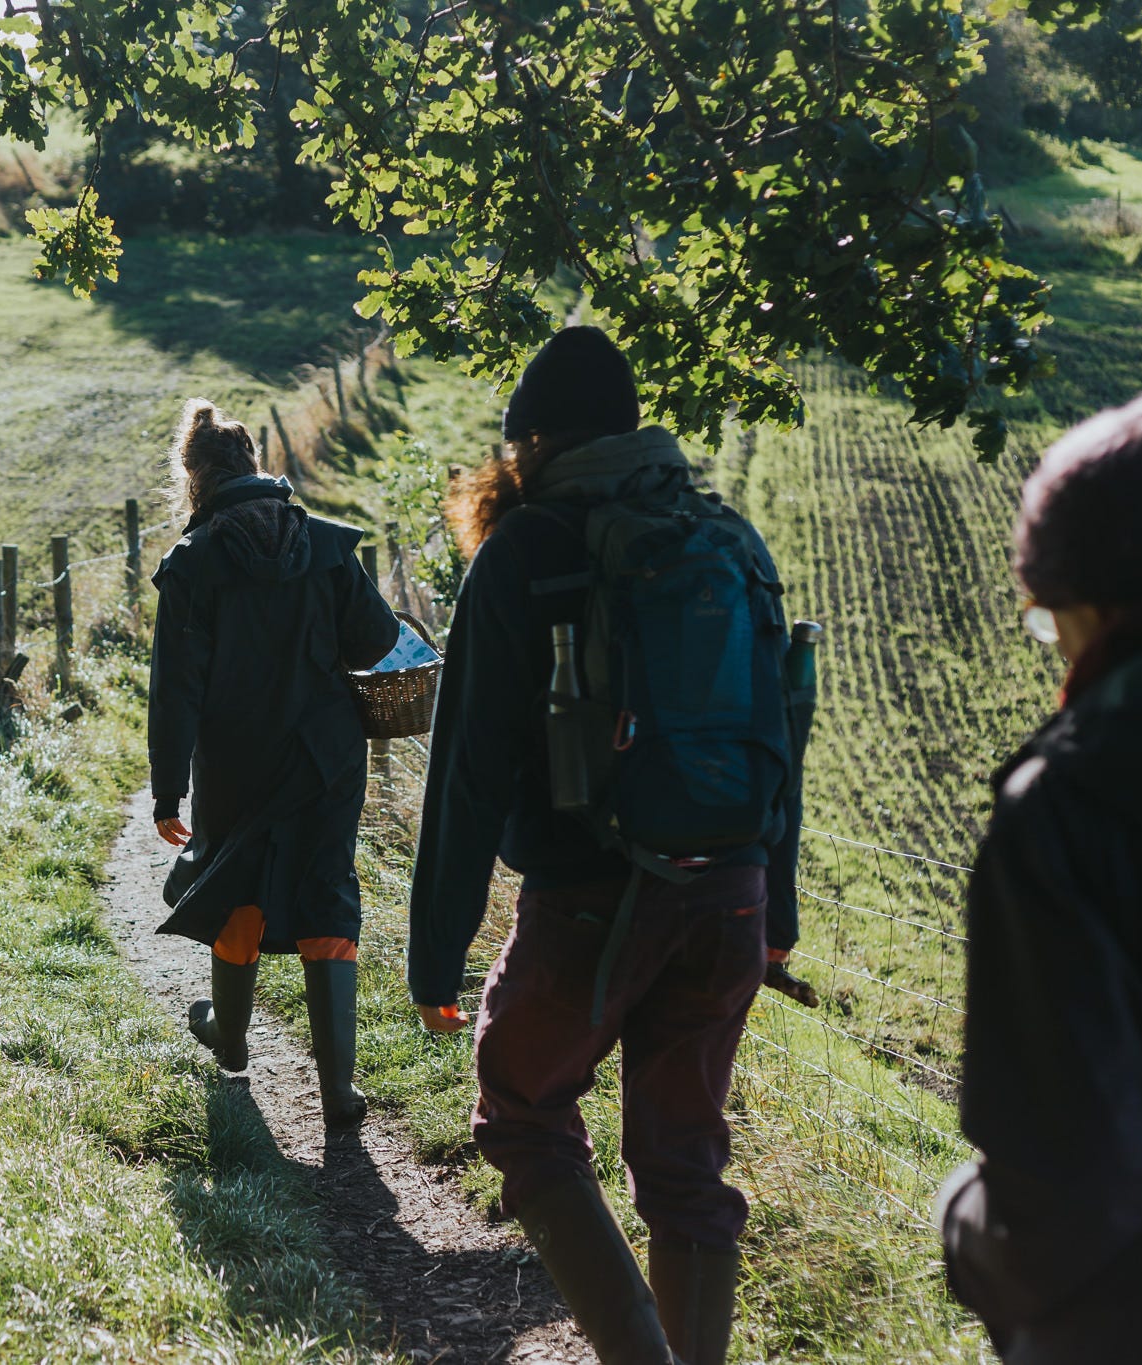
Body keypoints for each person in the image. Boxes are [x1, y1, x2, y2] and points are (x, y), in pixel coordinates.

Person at [408, 327, 800, 1365]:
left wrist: (435, 954)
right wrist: (778, 920)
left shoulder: (525, 553)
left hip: (594, 897)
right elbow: (781, 734)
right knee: (683, 1165)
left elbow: (466, 770)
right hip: (732, 891)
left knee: (521, 1112)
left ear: (527, 444)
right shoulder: (729, 537)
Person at [934, 393, 1142, 1363]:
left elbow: (1056, 1198)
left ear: (1096, 604)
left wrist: (959, 1227)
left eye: (1046, 618)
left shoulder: (1071, 797)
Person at [148, 398, 400, 1126]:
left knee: (237, 888)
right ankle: (337, 1091)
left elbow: (176, 692)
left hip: (234, 761)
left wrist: (168, 791)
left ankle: (229, 1041)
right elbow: (377, 641)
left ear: (195, 480)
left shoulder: (193, 565)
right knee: (327, 890)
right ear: (256, 463)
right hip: (326, 757)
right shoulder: (323, 546)